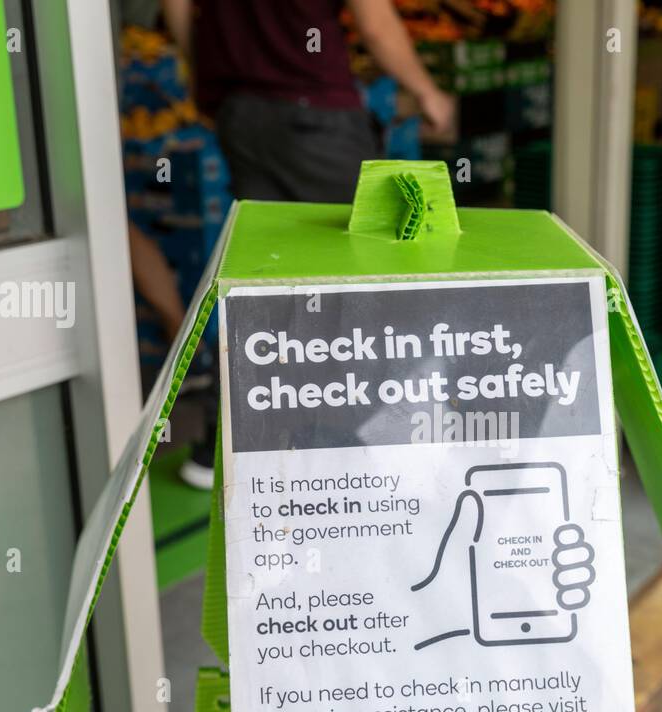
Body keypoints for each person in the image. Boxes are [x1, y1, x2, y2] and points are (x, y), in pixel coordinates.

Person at [161, 0, 455, 488]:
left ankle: (225, 445)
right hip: (315, 114)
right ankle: (350, 439)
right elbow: (375, 23)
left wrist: (207, 74)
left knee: (264, 282)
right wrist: (427, 90)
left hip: (241, 112)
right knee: (363, 273)